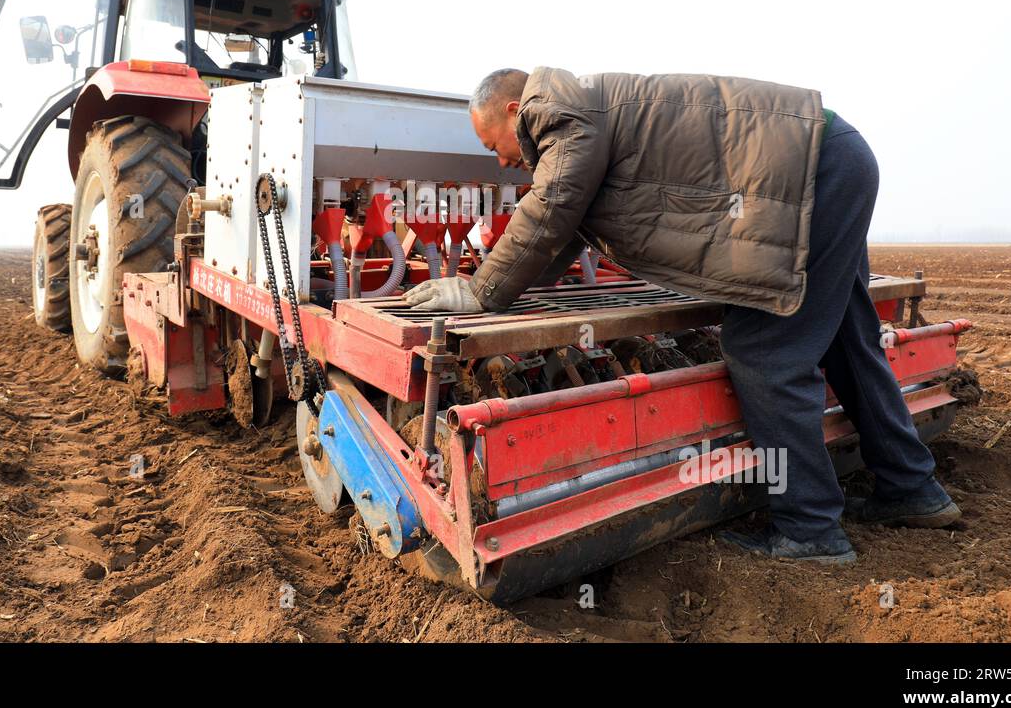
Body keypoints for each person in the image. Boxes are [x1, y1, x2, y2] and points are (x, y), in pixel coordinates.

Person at [404, 67, 961, 564]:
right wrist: (517, 283)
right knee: (844, 339)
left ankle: (810, 528)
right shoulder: (590, 113)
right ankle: (911, 488)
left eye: (492, 144)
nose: (500, 161)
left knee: (765, 352)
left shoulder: (558, 107)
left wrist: (481, 290)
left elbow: (552, 204)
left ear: (511, 110)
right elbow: (565, 225)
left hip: (803, 180)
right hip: (829, 159)